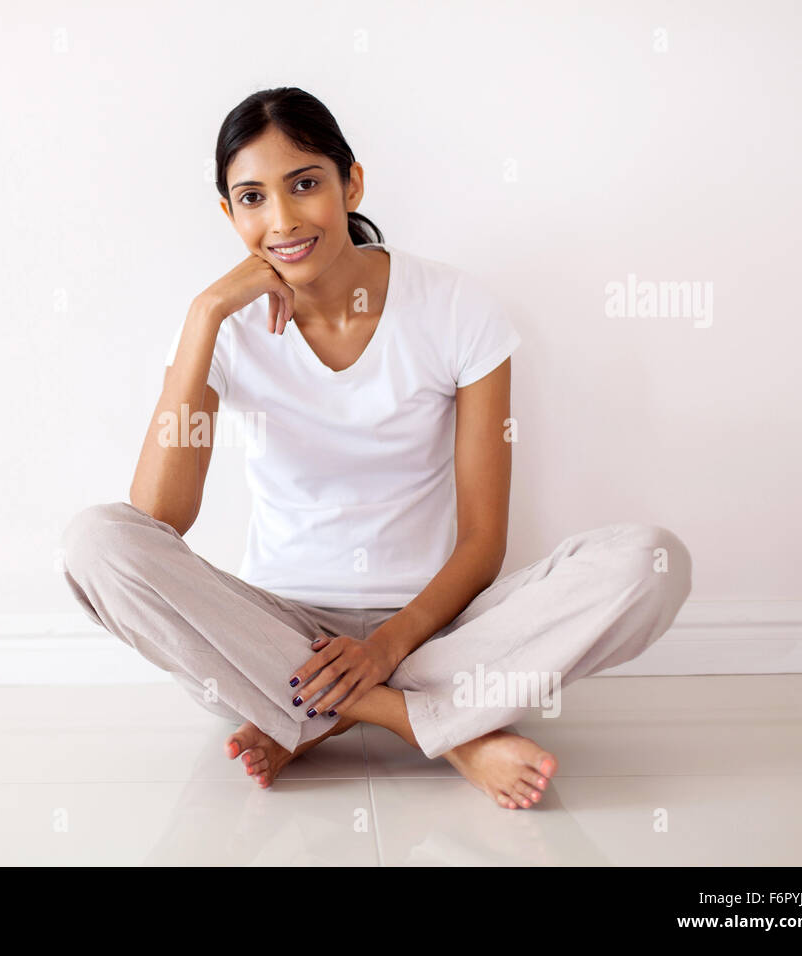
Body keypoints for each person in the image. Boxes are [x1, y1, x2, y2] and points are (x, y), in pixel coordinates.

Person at [61, 87, 692, 811]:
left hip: (435, 634)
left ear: (349, 182)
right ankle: (442, 728)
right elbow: (157, 519)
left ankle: (312, 721)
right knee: (95, 541)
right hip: (271, 635)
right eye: (253, 198)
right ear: (229, 214)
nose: (284, 220)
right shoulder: (224, 329)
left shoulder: (456, 306)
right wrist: (203, 316)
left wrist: (387, 648)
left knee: (651, 560)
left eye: (305, 185)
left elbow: (485, 540)